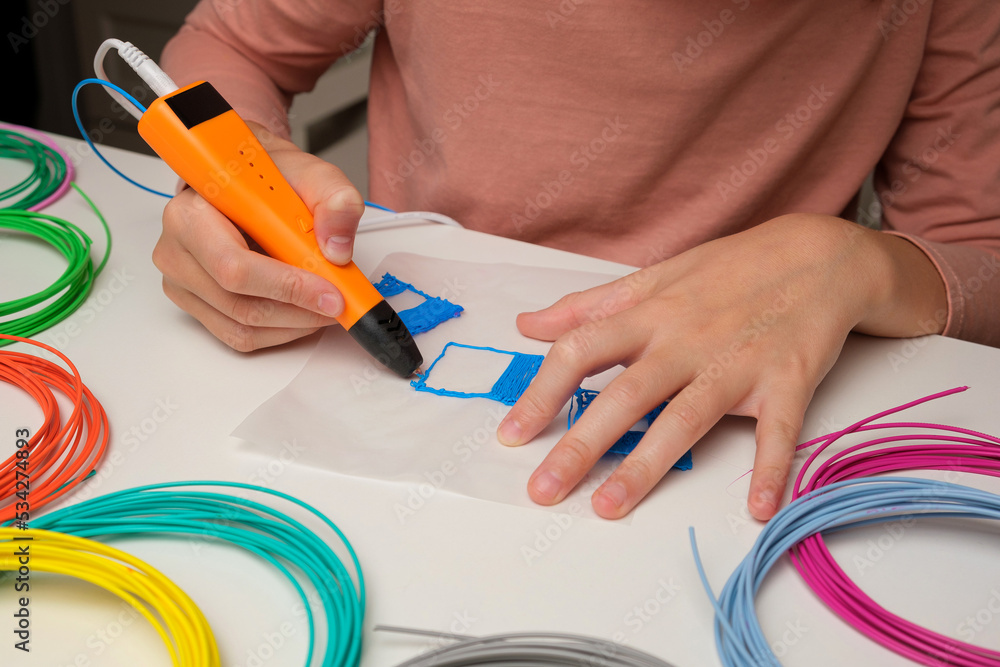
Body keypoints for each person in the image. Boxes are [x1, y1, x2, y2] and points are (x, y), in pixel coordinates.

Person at [156, 1, 1000, 521]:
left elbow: (981, 261)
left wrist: (860, 265)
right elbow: (231, 48)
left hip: (743, 446)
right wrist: (242, 184)